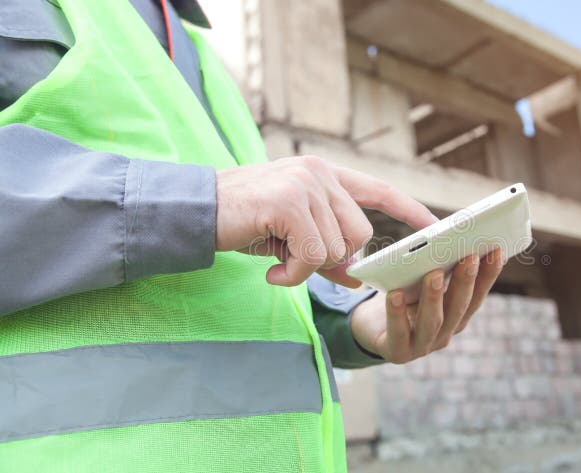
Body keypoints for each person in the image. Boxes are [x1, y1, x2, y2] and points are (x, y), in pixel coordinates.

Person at [0, 1, 505, 471]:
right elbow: (207, 210)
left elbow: (237, 270)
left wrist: (351, 322)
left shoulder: (198, 50)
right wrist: (202, 202)